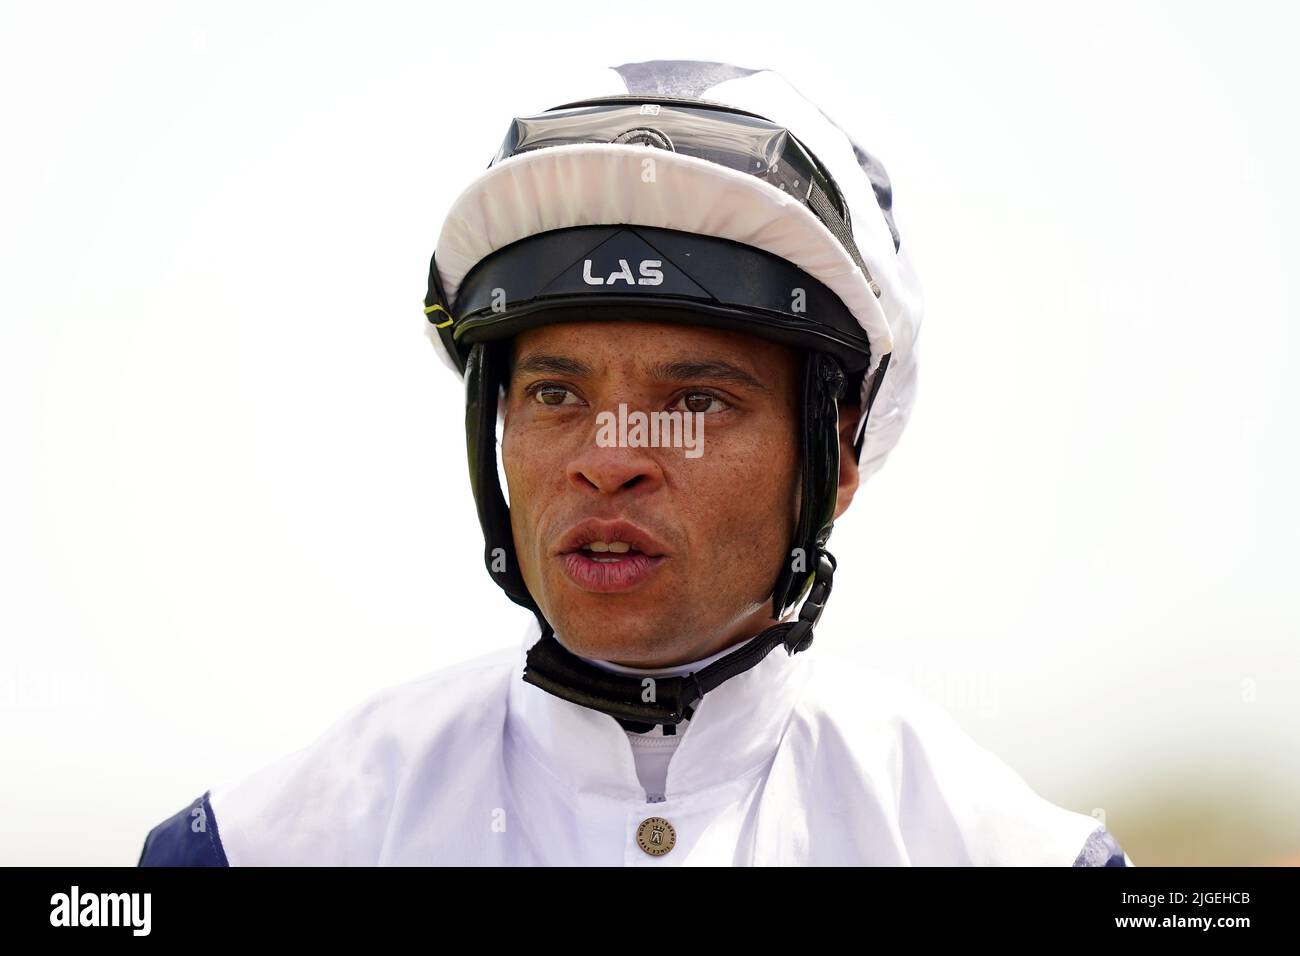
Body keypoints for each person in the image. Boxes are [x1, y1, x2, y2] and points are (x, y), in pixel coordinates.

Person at [137, 59, 1132, 866]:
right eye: (557, 395)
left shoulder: (1006, 850)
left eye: (696, 401)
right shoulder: (250, 846)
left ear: (832, 458)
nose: (609, 461)